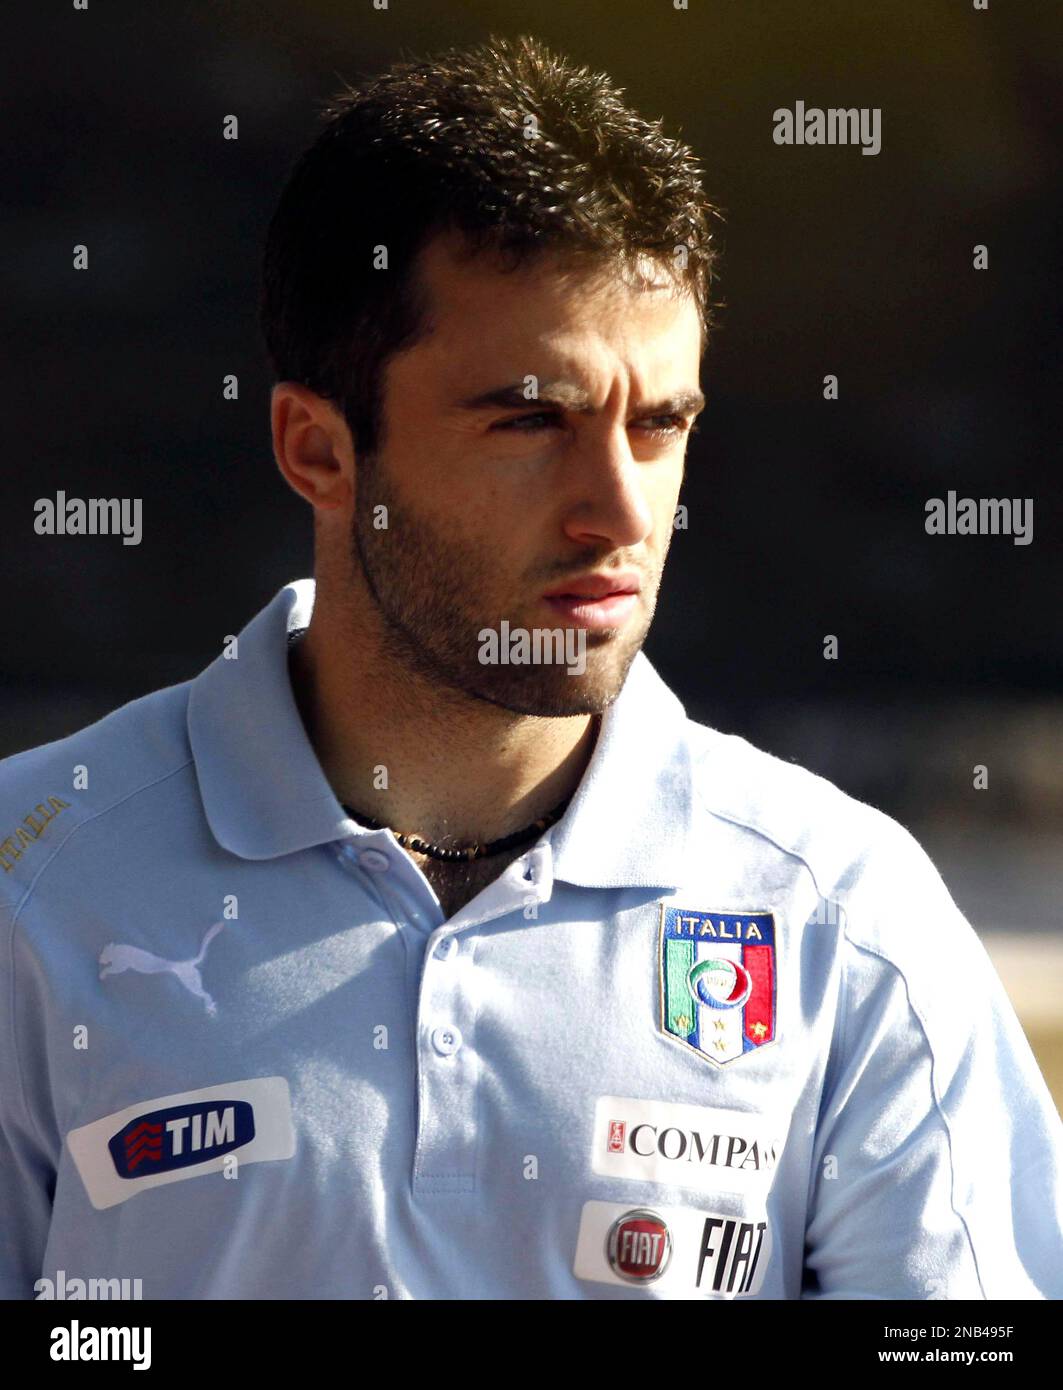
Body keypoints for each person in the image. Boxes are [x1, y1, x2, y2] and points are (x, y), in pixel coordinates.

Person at [1, 33, 1060, 1301]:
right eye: (530, 421)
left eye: (658, 425)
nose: (618, 510)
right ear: (319, 451)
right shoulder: (32, 884)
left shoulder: (845, 915)